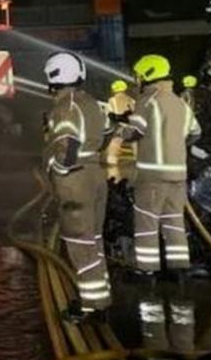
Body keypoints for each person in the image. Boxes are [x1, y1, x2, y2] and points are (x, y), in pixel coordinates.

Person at [42, 51, 113, 317]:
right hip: (95, 175)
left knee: (81, 247)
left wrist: (60, 170)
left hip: (76, 182)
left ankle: (92, 306)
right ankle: (101, 299)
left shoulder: (65, 107)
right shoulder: (91, 102)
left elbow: (68, 145)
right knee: (94, 242)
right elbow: (106, 132)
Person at [126, 54, 200, 277]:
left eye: (138, 76)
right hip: (178, 176)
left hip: (152, 176)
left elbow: (134, 132)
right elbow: (195, 133)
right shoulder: (180, 103)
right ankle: (180, 269)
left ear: (148, 75)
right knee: (174, 221)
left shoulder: (147, 101)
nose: (137, 81)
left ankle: (147, 270)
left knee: (147, 223)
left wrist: (118, 126)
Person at [104, 79, 136, 181]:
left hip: (119, 128)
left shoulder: (112, 100)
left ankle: (115, 179)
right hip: (132, 128)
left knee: (112, 155)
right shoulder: (131, 100)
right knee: (137, 152)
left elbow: (109, 116)